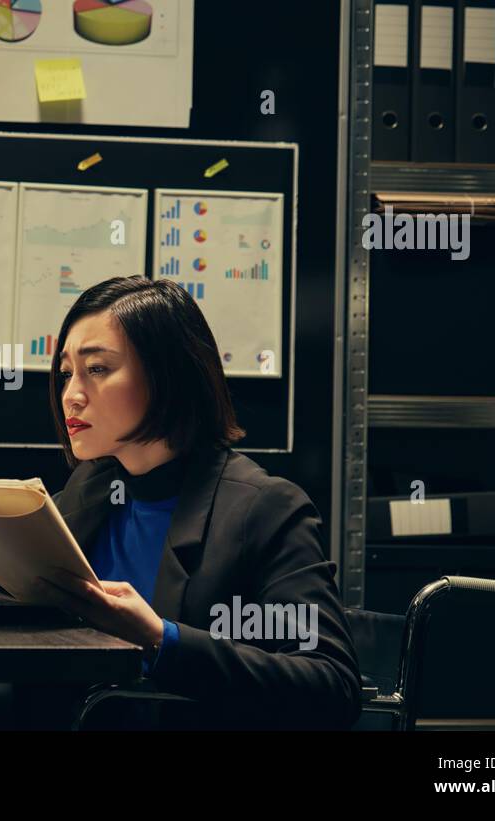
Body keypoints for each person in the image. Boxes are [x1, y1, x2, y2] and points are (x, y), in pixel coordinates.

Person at [40, 276, 361, 730]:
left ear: (167, 373)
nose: (71, 393)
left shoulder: (266, 508)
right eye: (66, 372)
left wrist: (161, 639)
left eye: (97, 369)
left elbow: (332, 688)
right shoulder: (91, 488)